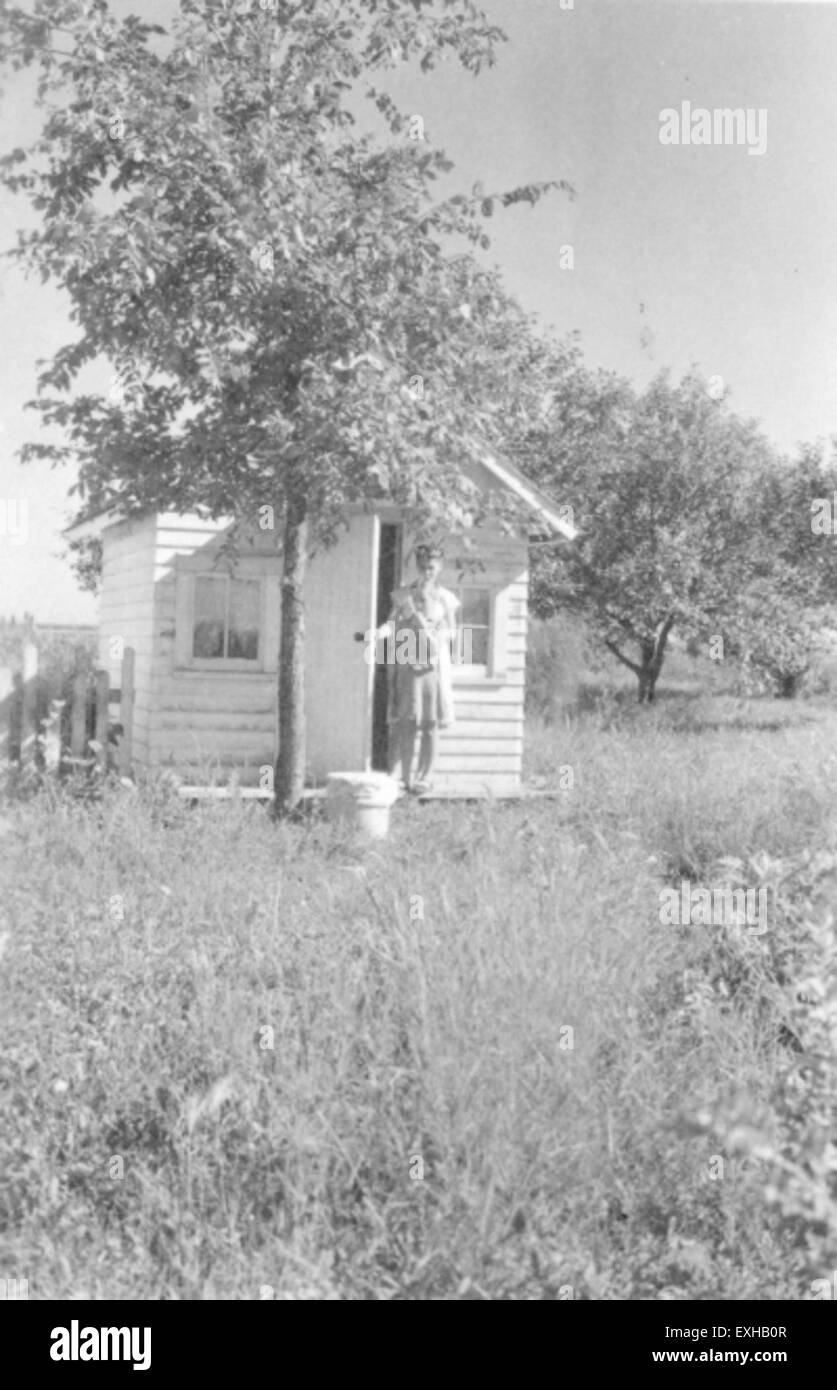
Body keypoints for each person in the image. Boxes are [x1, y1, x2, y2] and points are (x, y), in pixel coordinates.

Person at [385, 544, 459, 794]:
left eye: (432, 568)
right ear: (417, 567)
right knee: (407, 721)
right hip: (408, 662)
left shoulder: (445, 598)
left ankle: (425, 776)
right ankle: (404, 776)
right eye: (423, 567)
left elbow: (452, 632)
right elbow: (390, 627)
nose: (427, 572)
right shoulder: (403, 594)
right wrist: (407, 621)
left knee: (430, 722)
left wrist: (435, 634)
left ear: (439, 568)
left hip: (433, 665)